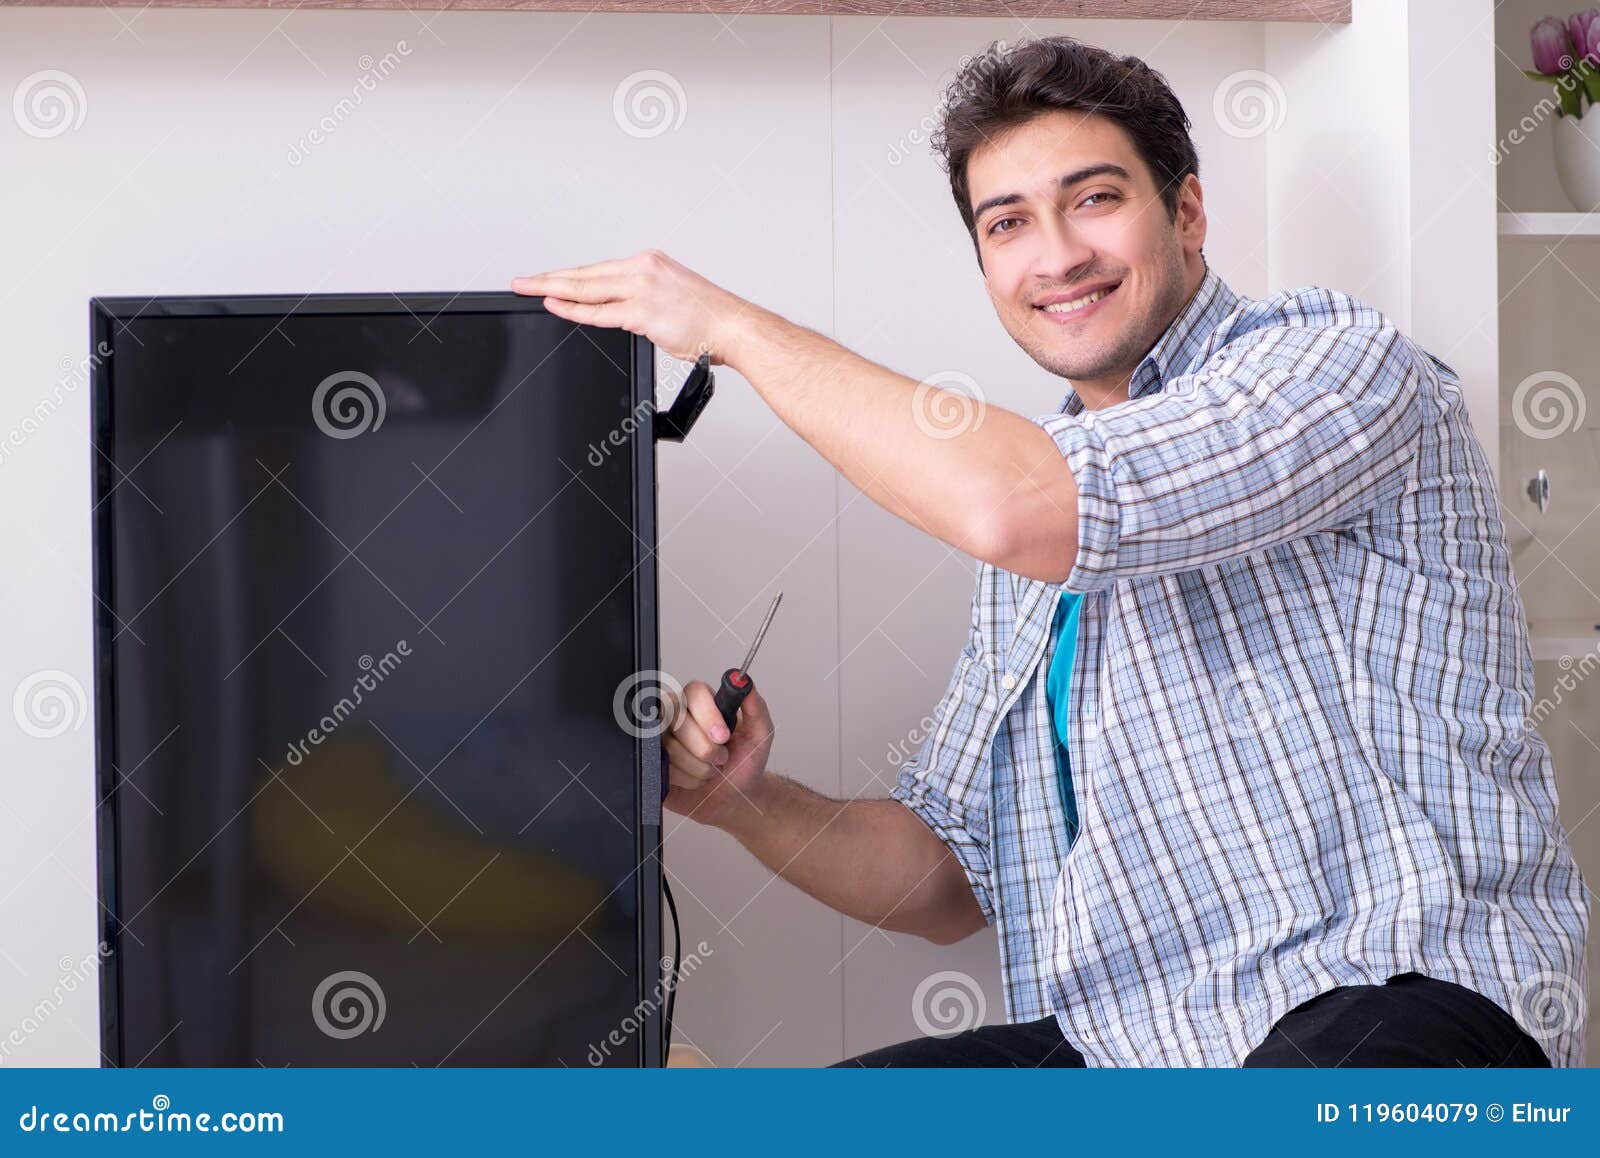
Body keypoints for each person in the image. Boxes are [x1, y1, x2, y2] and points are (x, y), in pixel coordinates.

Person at [511, 35, 1587, 1067]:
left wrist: (734, 329)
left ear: (1189, 210)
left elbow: (1019, 505)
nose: (1058, 254)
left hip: (1407, 1002)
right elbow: (946, 878)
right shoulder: (1037, 511)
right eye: (1008, 222)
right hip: (1131, 1049)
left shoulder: (1337, 368)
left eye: (1095, 199)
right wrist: (742, 799)